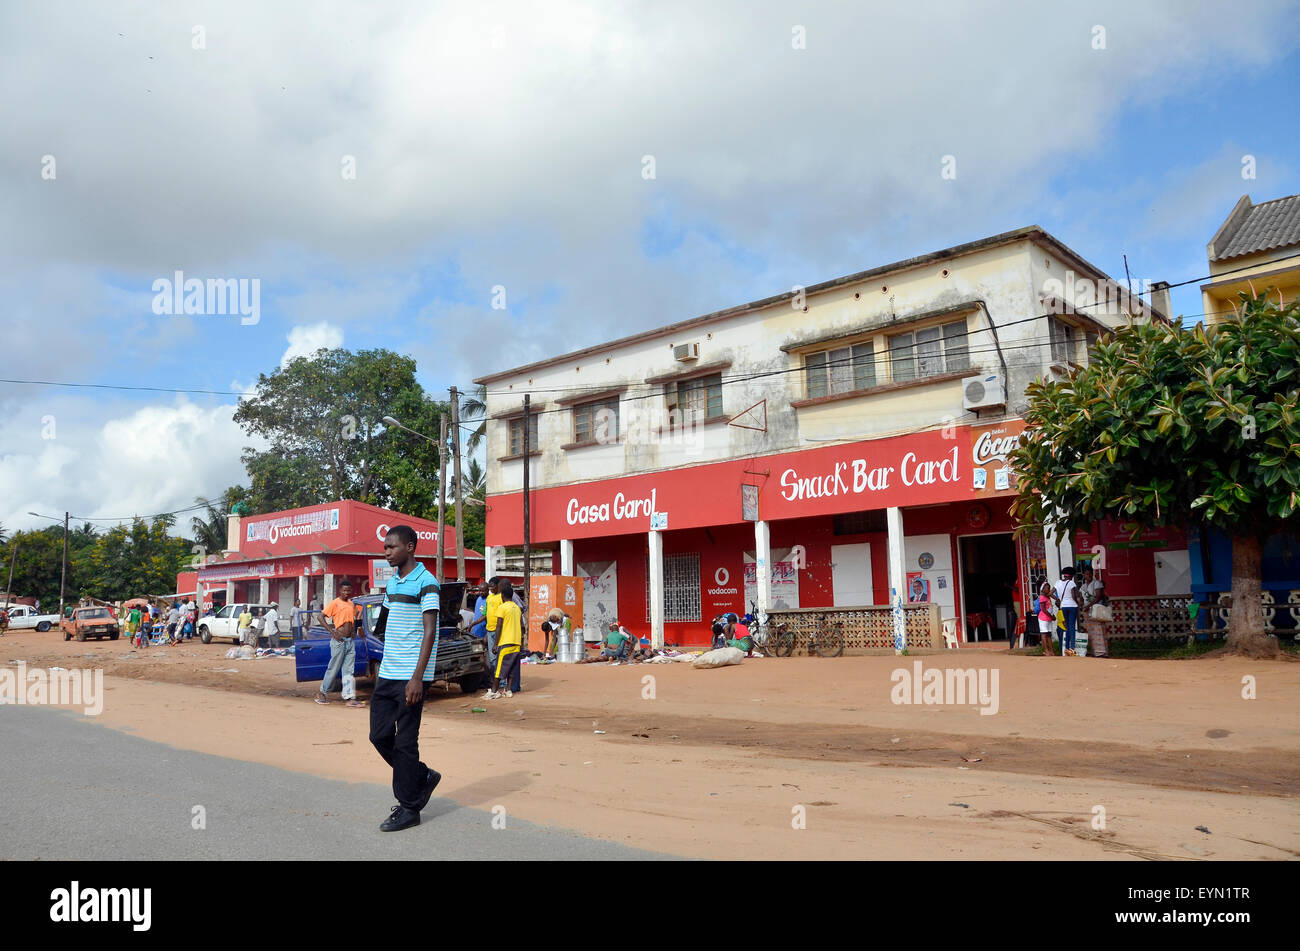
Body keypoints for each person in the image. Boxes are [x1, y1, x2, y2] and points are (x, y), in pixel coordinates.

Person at [369, 525, 442, 833]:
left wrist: (417, 679)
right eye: (385, 547)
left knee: (405, 742)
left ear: (410, 547)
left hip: (411, 677)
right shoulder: (394, 583)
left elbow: (430, 631)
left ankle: (409, 808)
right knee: (379, 736)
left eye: (391, 547)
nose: (386, 551)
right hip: (387, 673)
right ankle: (421, 776)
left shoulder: (427, 582)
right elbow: (384, 621)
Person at [317, 582, 362, 707]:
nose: (346, 593)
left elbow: (352, 620)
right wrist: (332, 632)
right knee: (334, 668)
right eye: (344, 591)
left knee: (349, 670)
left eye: (349, 591)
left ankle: (349, 697)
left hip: (349, 641)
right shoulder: (335, 603)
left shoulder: (351, 603)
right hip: (339, 640)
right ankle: (322, 693)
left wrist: (353, 631)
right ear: (340, 591)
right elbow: (320, 617)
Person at [486, 581, 523, 699]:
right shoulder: (517, 608)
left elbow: (499, 626)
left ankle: (494, 691)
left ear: (502, 596)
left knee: (498, 668)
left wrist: (495, 644)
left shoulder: (502, 607)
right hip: (516, 642)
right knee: (512, 668)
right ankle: (508, 690)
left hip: (505, 642)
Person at [1079, 566, 1110, 658]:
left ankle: (1102, 652)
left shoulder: (1097, 583)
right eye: (1086, 574)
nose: (1088, 576)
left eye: (1089, 574)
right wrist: (1081, 604)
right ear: (1084, 575)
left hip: (1096, 610)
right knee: (1091, 632)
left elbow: (1098, 596)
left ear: (1092, 574)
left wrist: (1088, 606)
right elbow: (1081, 598)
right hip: (1087, 611)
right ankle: (1095, 652)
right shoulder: (1083, 586)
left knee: (1099, 630)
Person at [1053, 567, 1080, 656]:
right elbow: (1073, 596)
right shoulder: (1071, 583)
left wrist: (1058, 599)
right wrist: (1078, 603)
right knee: (1072, 627)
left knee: (1067, 627)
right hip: (1072, 606)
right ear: (1071, 576)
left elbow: (1049, 593)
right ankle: (1072, 648)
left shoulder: (1058, 582)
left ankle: (1067, 648)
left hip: (1063, 606)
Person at [1035, 580, 1055, 654]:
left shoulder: (1047, 597)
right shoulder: (1042, 597)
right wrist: (1051, 616)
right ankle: (1046, 650)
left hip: (1048, 618)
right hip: (1043, 618)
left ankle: (1051, 650)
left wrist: (1052, 616)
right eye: (1047, 588)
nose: (1049, 590)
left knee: (1049, 634)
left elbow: (1049, 608)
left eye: (1049, 588)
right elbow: (1043, 610)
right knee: (1044, 634)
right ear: (1042, 589)